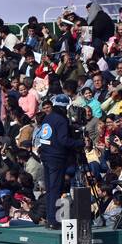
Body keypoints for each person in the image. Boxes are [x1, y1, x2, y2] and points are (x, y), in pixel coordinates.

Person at [34, 95, 79, 227]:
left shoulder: (48, 118)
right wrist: (78, 142)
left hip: (46, 156)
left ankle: (50, 218)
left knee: (49, 189)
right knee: (54, 188)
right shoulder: (61, 120)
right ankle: (54, 220)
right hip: (56, 157)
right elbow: (64, 140)